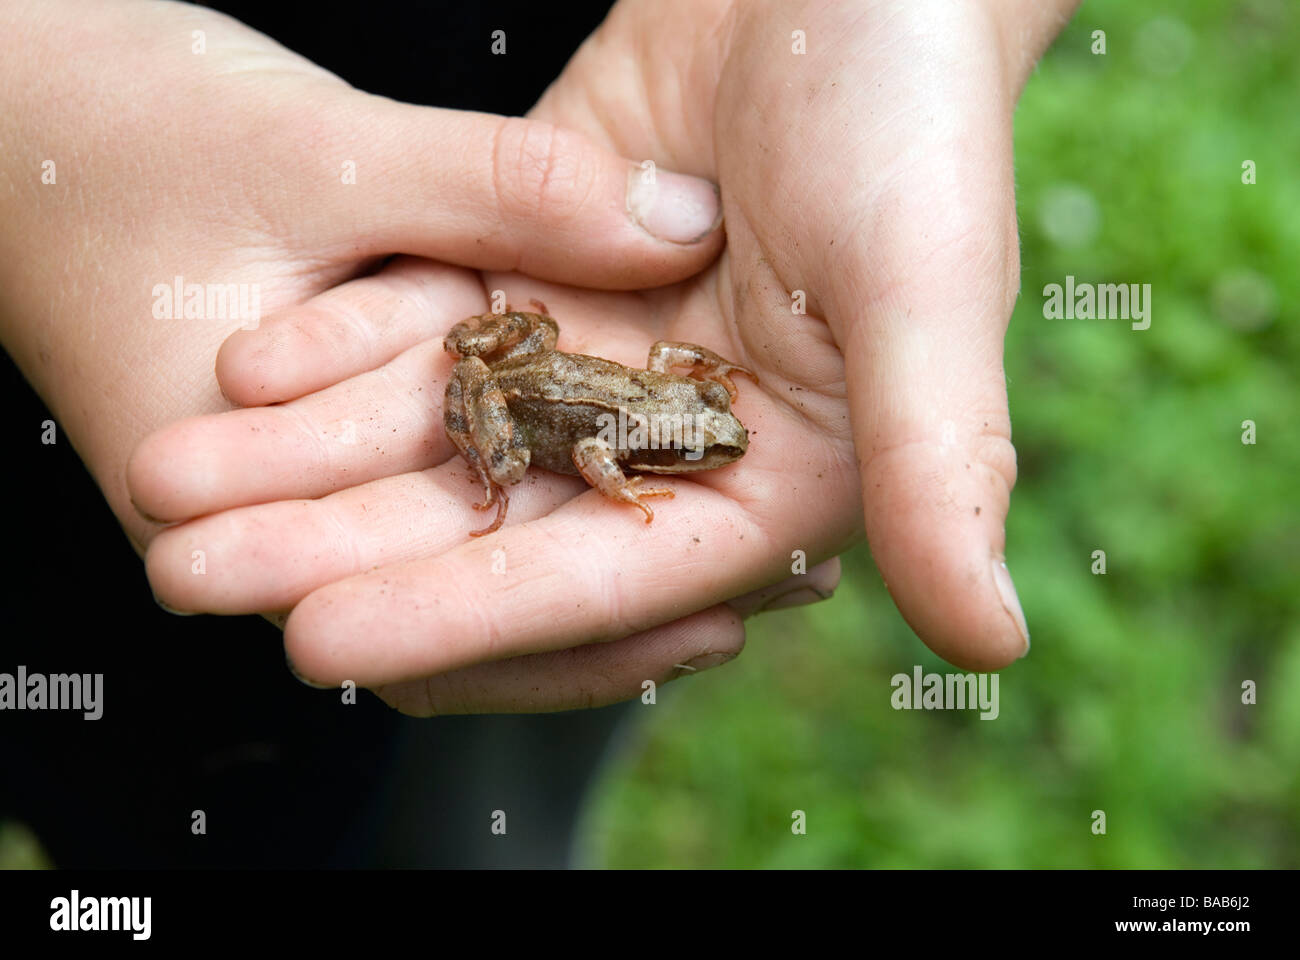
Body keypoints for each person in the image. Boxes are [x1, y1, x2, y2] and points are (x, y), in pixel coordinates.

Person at [0, 0, 1077, 866]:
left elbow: (667, 374)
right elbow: (609, 446)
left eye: (704, 436)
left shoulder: (674, 394)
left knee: (498, 749)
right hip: (504, 392)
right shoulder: (636, 442)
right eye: (703, 443)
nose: (713, 444)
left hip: (586, 120)